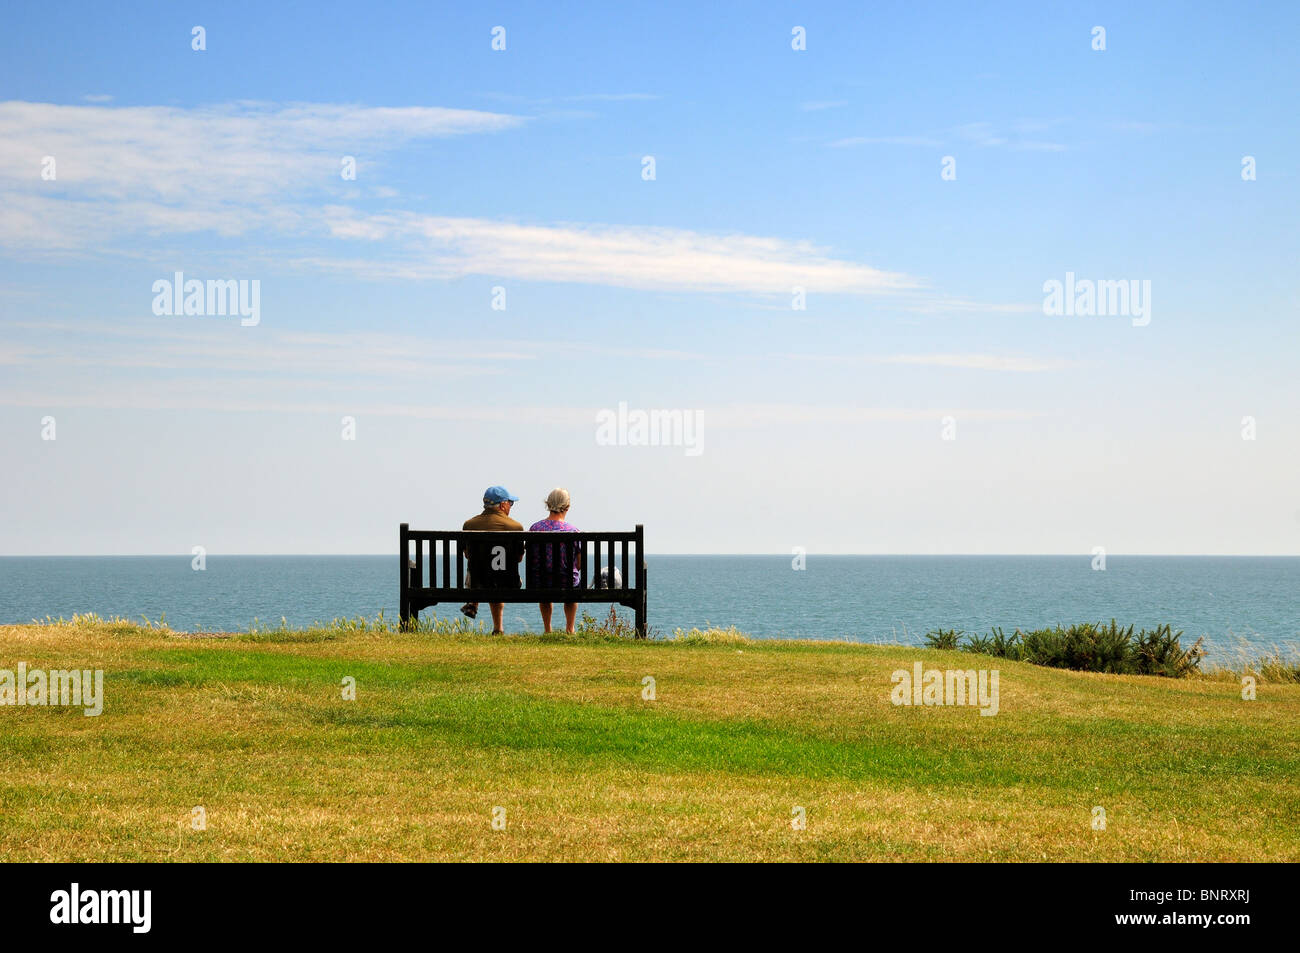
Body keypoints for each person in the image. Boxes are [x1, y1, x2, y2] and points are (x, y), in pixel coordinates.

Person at [461, 485, 524, 634]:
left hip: (478, 582)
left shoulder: (469, 525)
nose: (511, 507)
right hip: (508, 582)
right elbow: (519, 558)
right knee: (499, 573)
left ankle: (473, 602)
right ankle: (498, 628)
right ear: (502, 505)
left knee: (479, 570)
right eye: (510, 503)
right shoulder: (515, 527)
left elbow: (467, 555)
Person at [526, 487, 581, 634]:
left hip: (540, 581)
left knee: (545, 584)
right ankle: (570, 628)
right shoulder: (573, 531)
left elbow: (531, 559)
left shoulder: (535, 528)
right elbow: (579, 564)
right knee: (572, 585)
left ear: (548, 504)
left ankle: (547, 629)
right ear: (567, 507)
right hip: (567, 582)